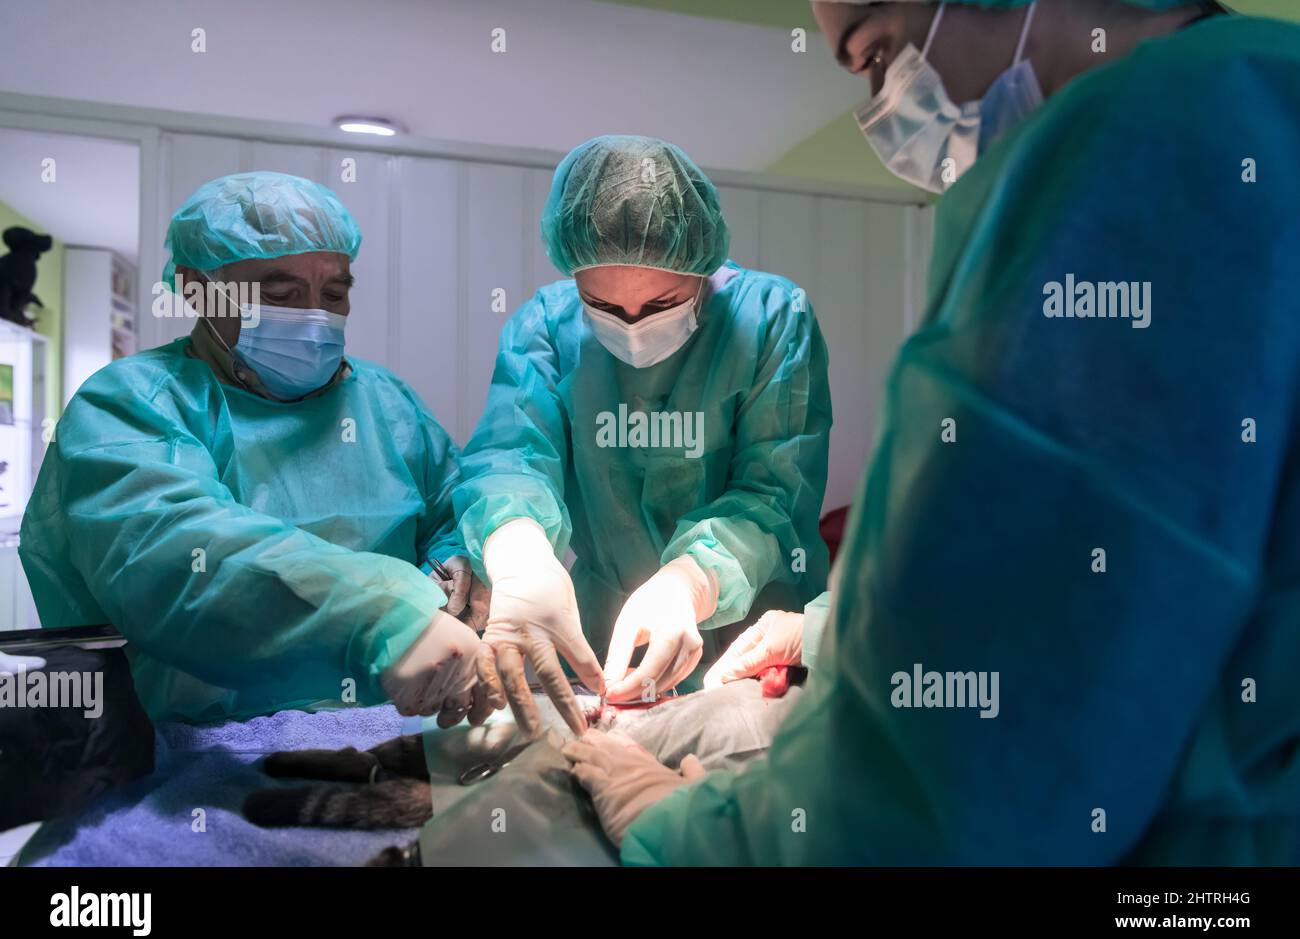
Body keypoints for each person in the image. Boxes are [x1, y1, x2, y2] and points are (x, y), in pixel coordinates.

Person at [565, 0, 1300, 864]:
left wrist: (693, 828)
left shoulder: (1123, 156)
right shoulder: (1268, 87)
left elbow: (941, 792)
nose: (885, 103)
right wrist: (829, 627)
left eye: (876, 53)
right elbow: (1122, 572)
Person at [20, 171, 490, 726]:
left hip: (393, 723)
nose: (316, 316)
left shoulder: (385, 402)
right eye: (279, 293)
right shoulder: (130, 404)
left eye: (334, 293)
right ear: (195, 289)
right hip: (197, 747)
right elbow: (177, 555)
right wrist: (385, 616)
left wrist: (461, 562)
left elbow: (457, 507)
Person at [455, 136, 832, 736]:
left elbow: (774, 493)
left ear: (703, 271)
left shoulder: (772, 319)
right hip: (610, 642)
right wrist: (519, 551)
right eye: (602, 306)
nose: (633, 332)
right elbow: (511, 457)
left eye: (662, 304)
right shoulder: (547, 328)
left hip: (763, 641)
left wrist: (691, 580)